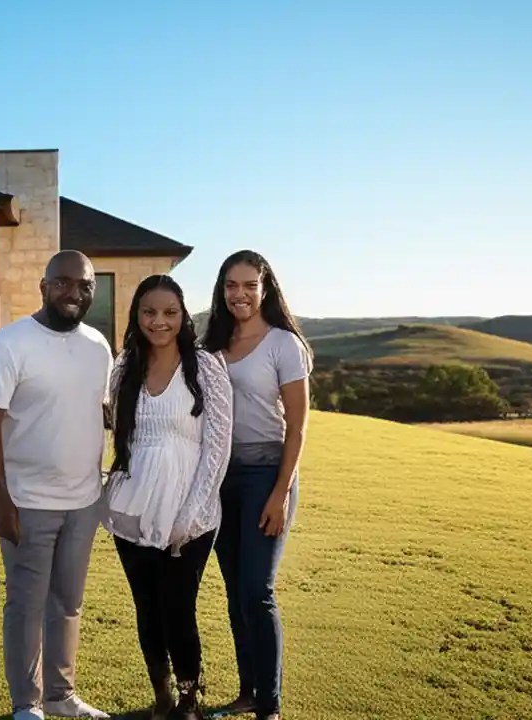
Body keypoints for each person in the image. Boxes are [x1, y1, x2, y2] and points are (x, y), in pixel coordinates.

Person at [0, 250, 113, 720]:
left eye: (84, 285)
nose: (74, 293)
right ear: (44, 286)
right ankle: (26, 705)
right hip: (27, 501)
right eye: (64, 282)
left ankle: (61, 696)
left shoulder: (98, 347)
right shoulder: (9, 345)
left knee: (67, 602)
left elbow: (99, 413)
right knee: (26, 604)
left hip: (85, 500)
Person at [102, 275, 233, 720]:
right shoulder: (124, 366)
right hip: (132, 508)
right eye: (149, 313)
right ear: (137, 316)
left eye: (170, 313)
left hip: (189, 510)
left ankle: (189, 700)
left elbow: (217, 446)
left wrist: (190, 517)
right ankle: (162, 698)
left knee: (178, 608)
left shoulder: (205, 366)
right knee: (147, 609)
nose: (159, 322)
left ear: (183, 316)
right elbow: (122, 438)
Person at [201, 250, 312, 720]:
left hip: (267, 473)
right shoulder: (214, 341)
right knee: (233, 590)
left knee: (256, 590)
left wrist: (281, 492)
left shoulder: (283, 344)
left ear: (265, 287)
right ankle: (247, 691)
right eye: (231, 285)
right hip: (222, 476)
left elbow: (298, 427)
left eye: (249, 285)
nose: (239, 294)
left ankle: (270, 706)